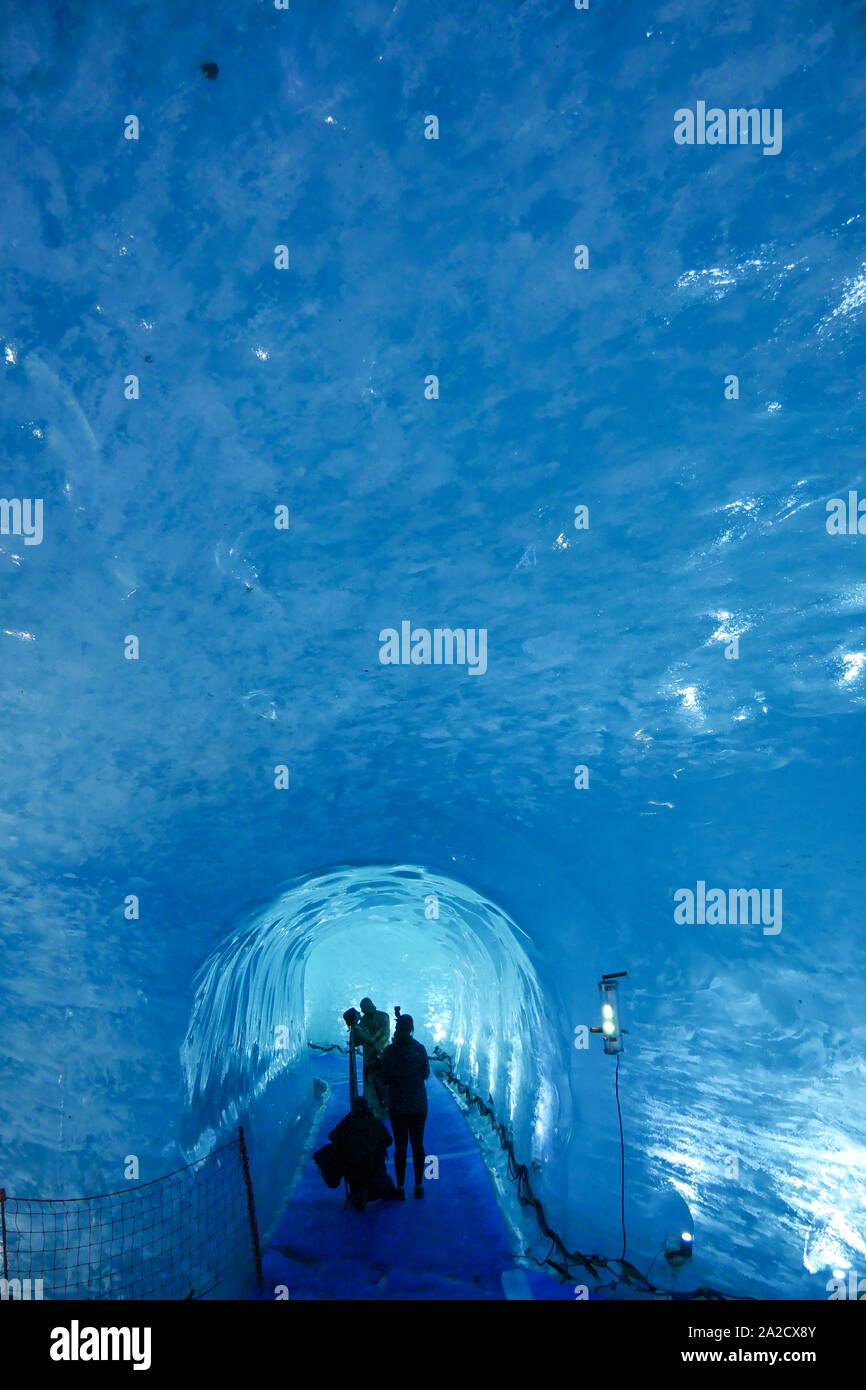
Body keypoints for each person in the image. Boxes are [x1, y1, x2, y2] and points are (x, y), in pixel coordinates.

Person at [381, 1013, 430, 1199]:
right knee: (418, 1144)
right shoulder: (420, 1049)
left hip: (398, 1105)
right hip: (418, 1104)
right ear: (411, 1029)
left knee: (400, 1145)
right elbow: (425, 1073)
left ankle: (400, 1188)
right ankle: (418, 1186)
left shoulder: (389, 1052)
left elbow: (384, 1078)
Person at [328, 1096, 397, 1210]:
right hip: (375, 1169)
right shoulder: (374, 1122)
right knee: (386, 1188)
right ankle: (375, 1191)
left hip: (354, 1171)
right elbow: (388, 1140)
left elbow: (332, 1137)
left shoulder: (347, 1123)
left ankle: (360, 1193)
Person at [352, 996, 391, 1119]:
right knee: (371, 1084)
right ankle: (375, 1110)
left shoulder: (384, 1016)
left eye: (364, 1008)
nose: (363, 1011)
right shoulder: (363, 1021)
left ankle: (385, 1108)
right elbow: (366, 1039)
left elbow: (385, 1036)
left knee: (383, 1083)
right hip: (370, 1058)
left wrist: (378, 1049)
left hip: (381, 1056)